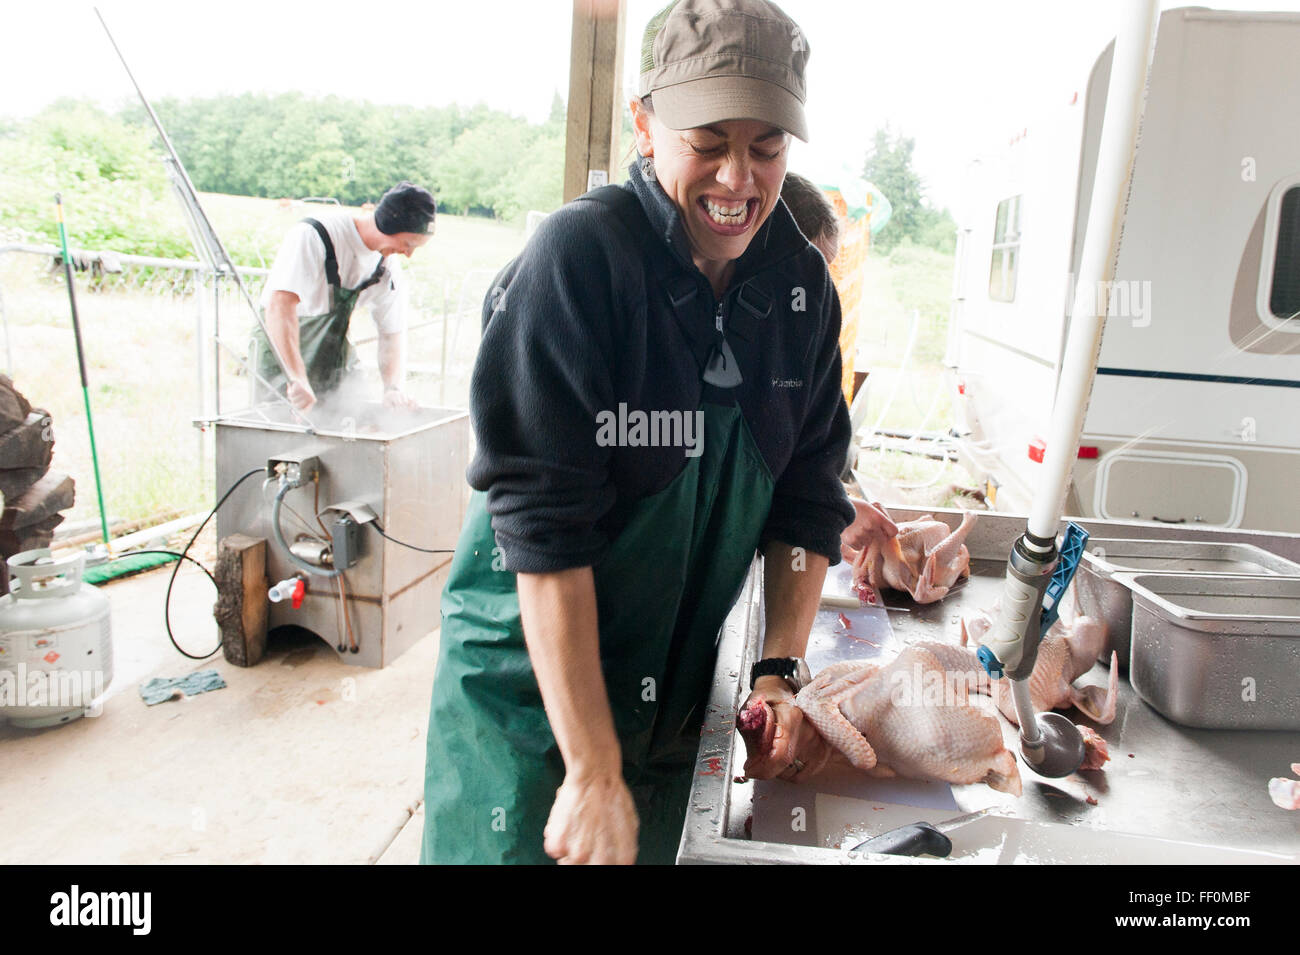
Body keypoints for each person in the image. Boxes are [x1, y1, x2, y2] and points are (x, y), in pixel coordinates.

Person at [422, 0, 854, 866]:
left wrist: (780, 671)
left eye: (767, 145)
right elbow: (544, 530)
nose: (739, 178)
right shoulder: (579, 262)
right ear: (645, 123)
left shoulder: (800, 288)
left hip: (674, 709)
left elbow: (807, 507)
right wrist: (587, 769)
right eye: (708, 140)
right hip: (531, 714)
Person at [781, 172, 899, 549]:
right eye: (810, 271)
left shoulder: (804, 340)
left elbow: (796, 466)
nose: (817, 290)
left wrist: (837, 505)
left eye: (825, 273)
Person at [252, 181, 435, 412]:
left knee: (353, 418)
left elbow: (391, 333)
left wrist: (392, 388)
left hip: (332, 352)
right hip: (281, 349)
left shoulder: (387, 268)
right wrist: (297, 378)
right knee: (277, 430)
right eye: (408, 244)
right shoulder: (314, 235)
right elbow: (280, 307)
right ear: (386, 225)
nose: (408, 254)